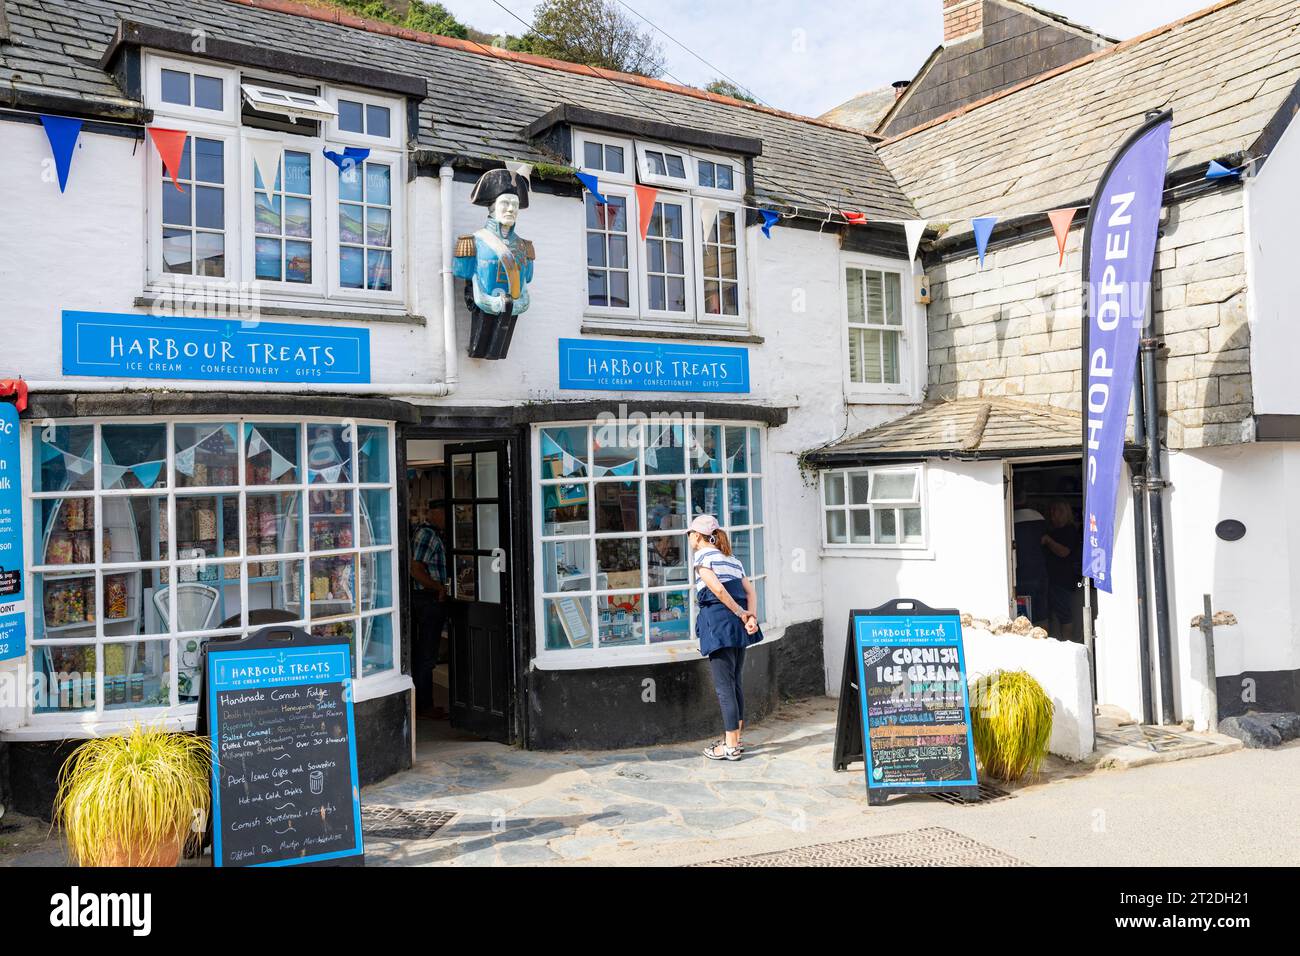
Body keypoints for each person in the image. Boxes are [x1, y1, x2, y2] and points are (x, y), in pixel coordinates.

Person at [688, 514, 761, 761]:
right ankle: (735, 739)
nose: (688, 538)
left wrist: (742, 613)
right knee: (735, 682)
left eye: (689, 534)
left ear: (697, 536)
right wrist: (750, 618)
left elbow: (717, 590)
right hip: (738, 625)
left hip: (719, 623)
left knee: (723, 687)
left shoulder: (702, 557)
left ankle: (730, 746)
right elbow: (750, 592)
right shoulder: (733, 560)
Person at [409, 505, 449, 717]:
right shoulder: (427, 534)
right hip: (427, 599)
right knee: (426, 654)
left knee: (426, 652)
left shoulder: (432, 534)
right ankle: (424, 705)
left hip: (429, 598)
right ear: (436, 513)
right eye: (446, 513)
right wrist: (438, 587)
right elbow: (415, 569)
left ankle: (424, 703)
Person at [1042, 500, 1081, 641]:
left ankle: (1068, 643)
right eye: (1052, 511)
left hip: (1062, 579)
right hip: (1052, 579)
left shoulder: (1069, 531)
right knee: (1054, 614)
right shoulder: (1054, 530)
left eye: (1057, 511)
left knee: (1064, 615)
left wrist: (1048, 541)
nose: (1053, 514)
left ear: (1064, 513)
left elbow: (1064, 552)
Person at [1012, 487, 1049, 626]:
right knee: (1041, 613)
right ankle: (1044, 638)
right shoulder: (1039, 517)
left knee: (1023, 616)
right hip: (1039, 571)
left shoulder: (1009, 519)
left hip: (1019, 574)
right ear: (1025, 498)